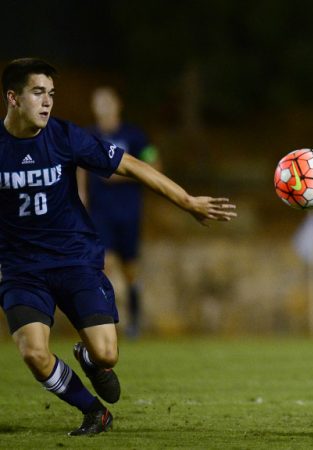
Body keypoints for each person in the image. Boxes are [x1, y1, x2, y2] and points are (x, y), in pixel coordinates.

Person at [0, 58, 236, 436]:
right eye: (38, 93)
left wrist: (187, 201)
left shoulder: (64, 136)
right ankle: (94, 412)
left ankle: (90, 359)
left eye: (51, 94)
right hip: (21, 269)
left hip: (74, 260)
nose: (47, 103)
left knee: (107, 353)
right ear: (13, 98)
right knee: (34, 353)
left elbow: (132, 166)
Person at [81, 86, 161, 338]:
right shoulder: (89, 136)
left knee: (130, 269)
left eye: (108, 101)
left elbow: (154, 161)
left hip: (128, 212)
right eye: (98, 102)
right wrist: (81, 195)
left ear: (118, 105)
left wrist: (123, 174)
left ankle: (134, 319)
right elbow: (80, 167)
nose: (103, 106)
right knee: (104, 264)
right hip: (100, 213)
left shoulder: (134, 136)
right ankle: (105, 321)